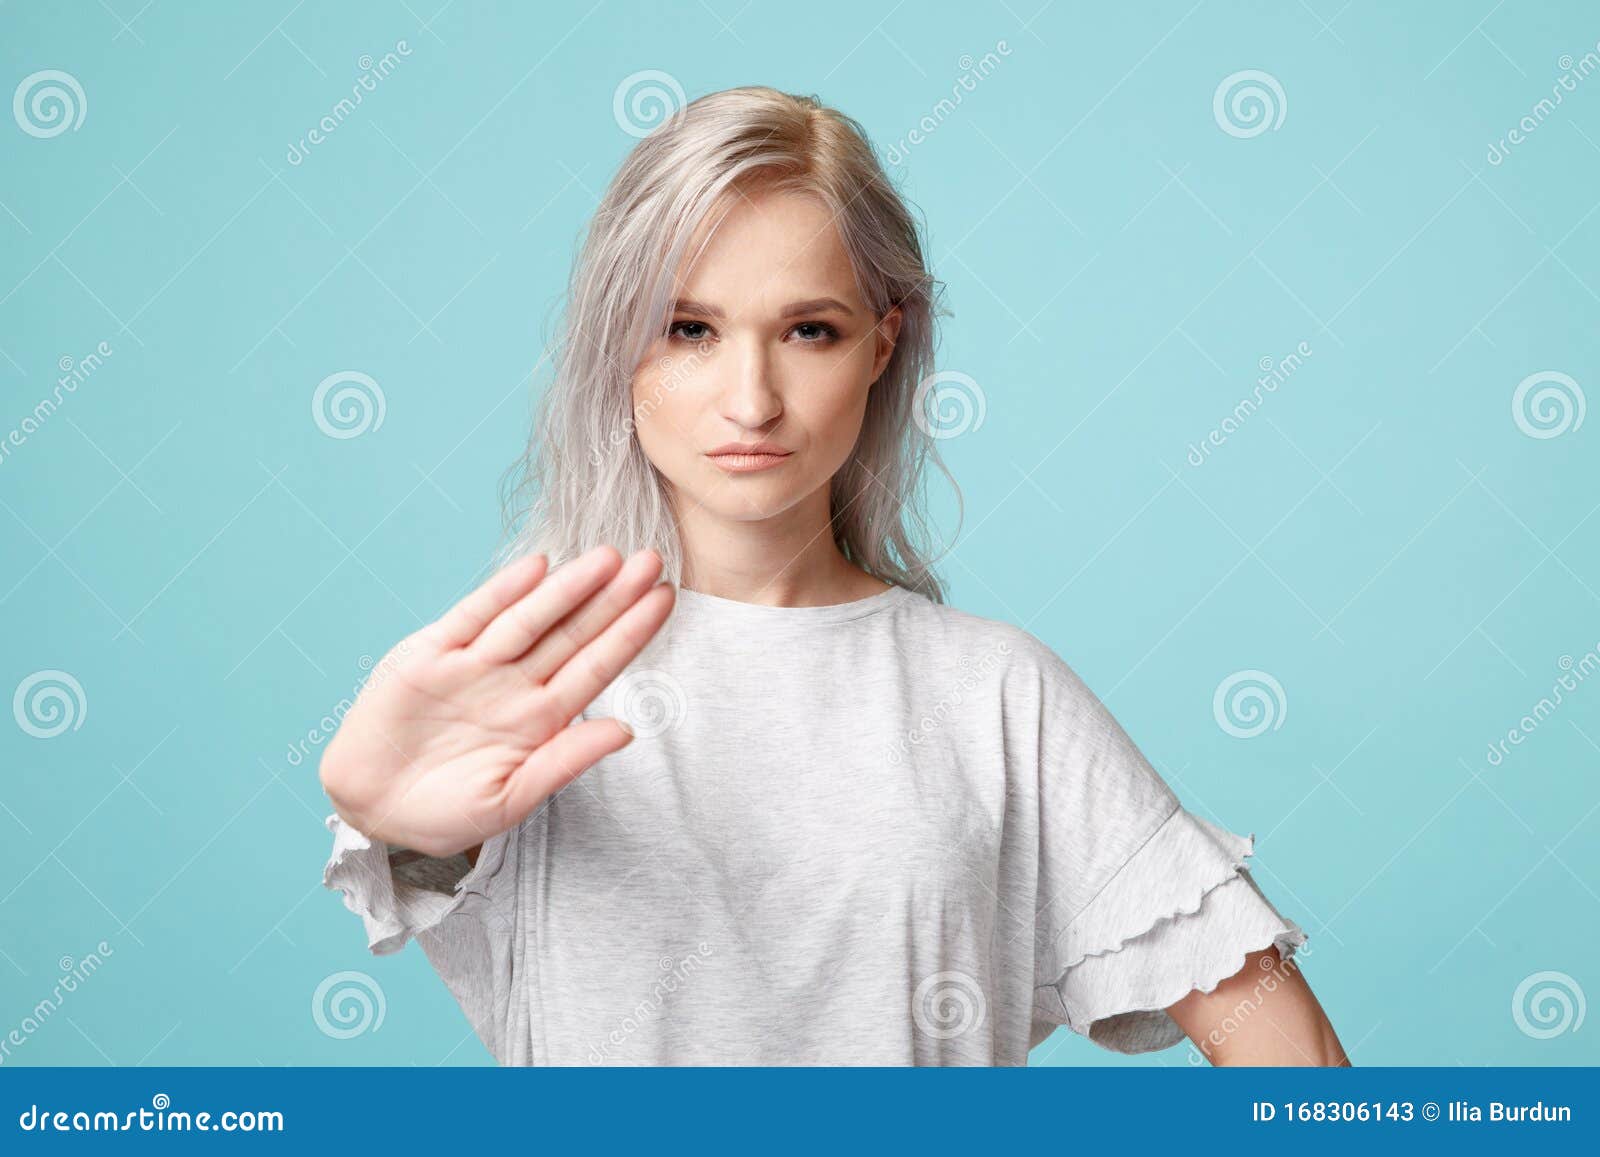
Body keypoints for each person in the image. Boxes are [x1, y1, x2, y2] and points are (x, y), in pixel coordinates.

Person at [319, 85, 1348, 1067]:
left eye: (808, 329)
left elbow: (1287, 1050)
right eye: (689, 329)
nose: (752, 399)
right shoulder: (525, 691)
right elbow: (440, 866)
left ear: (880, 347)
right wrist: (412, 843)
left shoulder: (996, 693)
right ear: (616, 348)